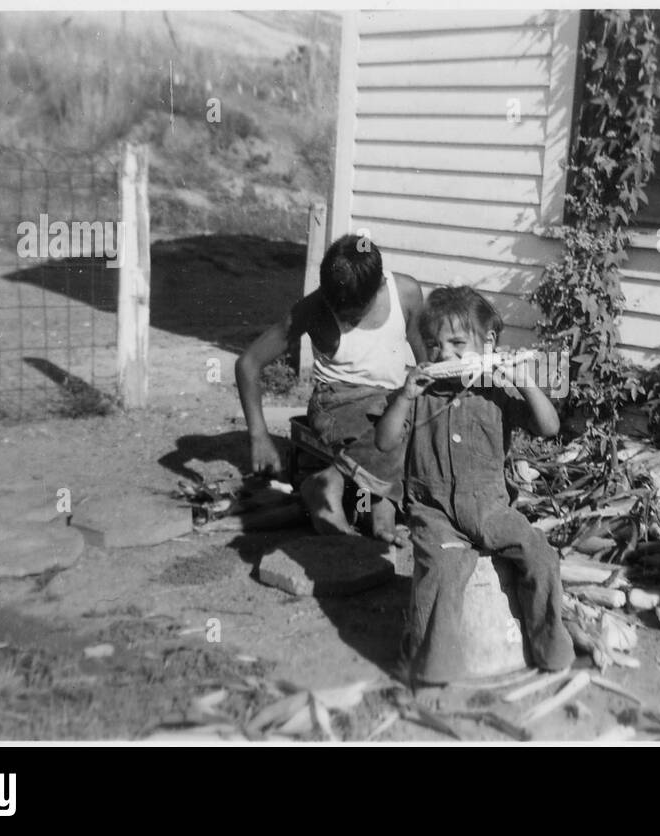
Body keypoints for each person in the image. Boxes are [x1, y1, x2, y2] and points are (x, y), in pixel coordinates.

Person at [375, 286, 575, 682]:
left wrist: (525, 380)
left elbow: (549, 427)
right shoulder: (419, 394)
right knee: (443, 571)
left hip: (491, 509)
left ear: (487, 345)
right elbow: (384, 440)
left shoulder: (496, 390)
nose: (444, 355)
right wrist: (403, 397)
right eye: (433, 345)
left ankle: (549, 647)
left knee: (540, 556)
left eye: (456, 344)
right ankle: (430, 669)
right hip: (435, 512)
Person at [235, 233, 425, 545]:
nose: (342, 317)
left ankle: (364, 501)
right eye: (335, 308)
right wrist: (259, 436)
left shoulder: (405, 293)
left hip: (389, 400)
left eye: (351, 313)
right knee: (392, 428)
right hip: (337, 401)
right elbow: (248, 363)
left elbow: (426, 363)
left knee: (410, 416)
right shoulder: (313, 308)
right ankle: (348, 492)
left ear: (378, 287)